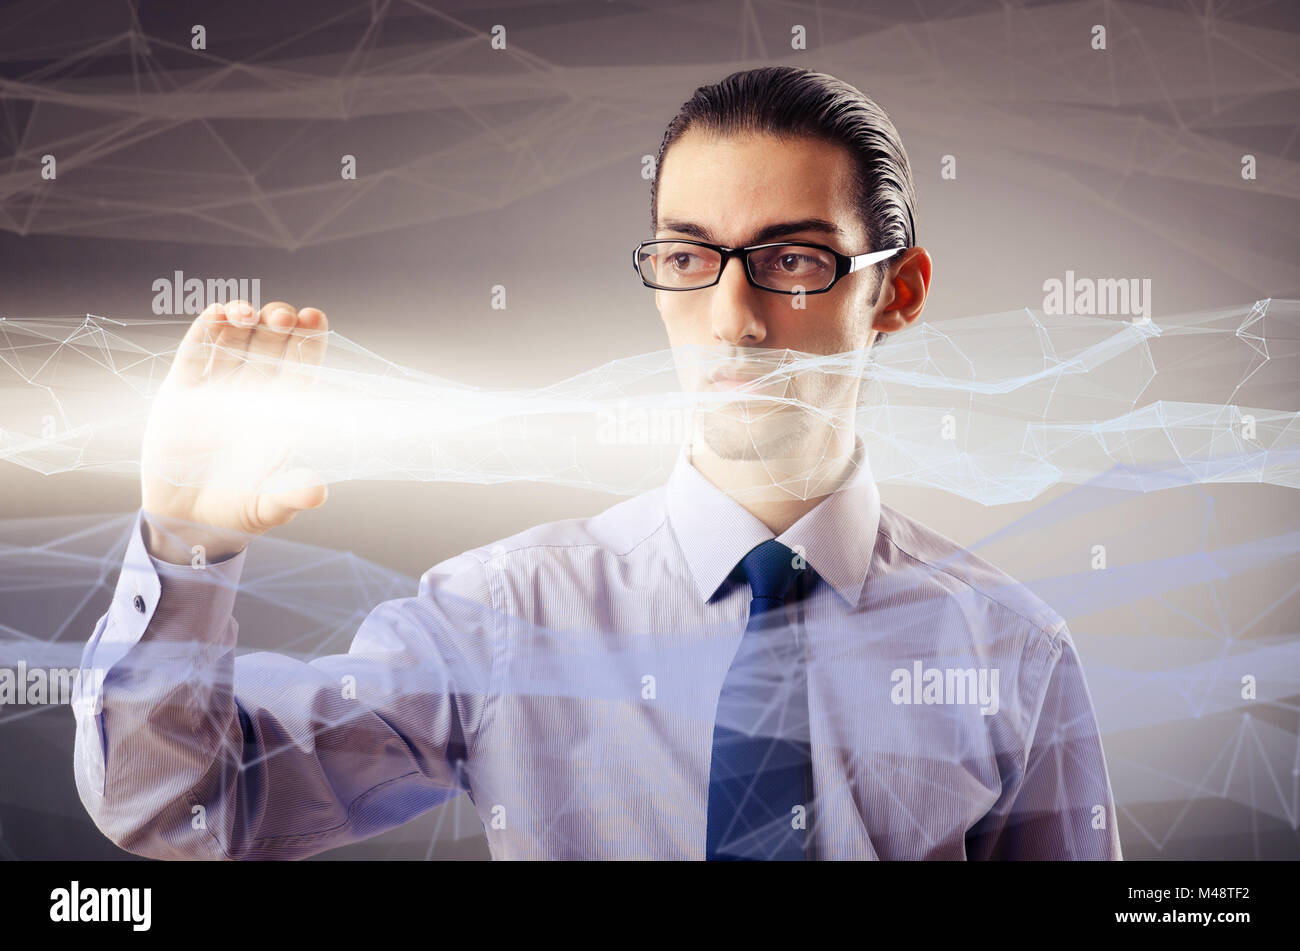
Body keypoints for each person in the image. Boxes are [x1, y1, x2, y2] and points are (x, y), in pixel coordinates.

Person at [72, 66, 1121, 860]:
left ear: (895, 292)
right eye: (687, 257)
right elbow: (180, 810)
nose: (731, 319)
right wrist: (184, 551)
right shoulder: (502, 614)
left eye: (790, 260)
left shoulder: (1012, 656)